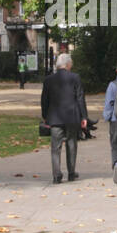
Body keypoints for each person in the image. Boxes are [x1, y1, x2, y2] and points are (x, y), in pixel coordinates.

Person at [40, 53, 88, 184]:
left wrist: (45, 116)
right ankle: (71, 172)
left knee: (55, 147)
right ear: (68, 64)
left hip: (55, 118)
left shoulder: (49, 80)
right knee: (72, 144)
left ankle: (56, 175)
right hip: (72, 117)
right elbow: (80, 98)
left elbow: (44, 100)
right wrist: (84, 116)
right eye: (71, 64)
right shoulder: (75, 78)